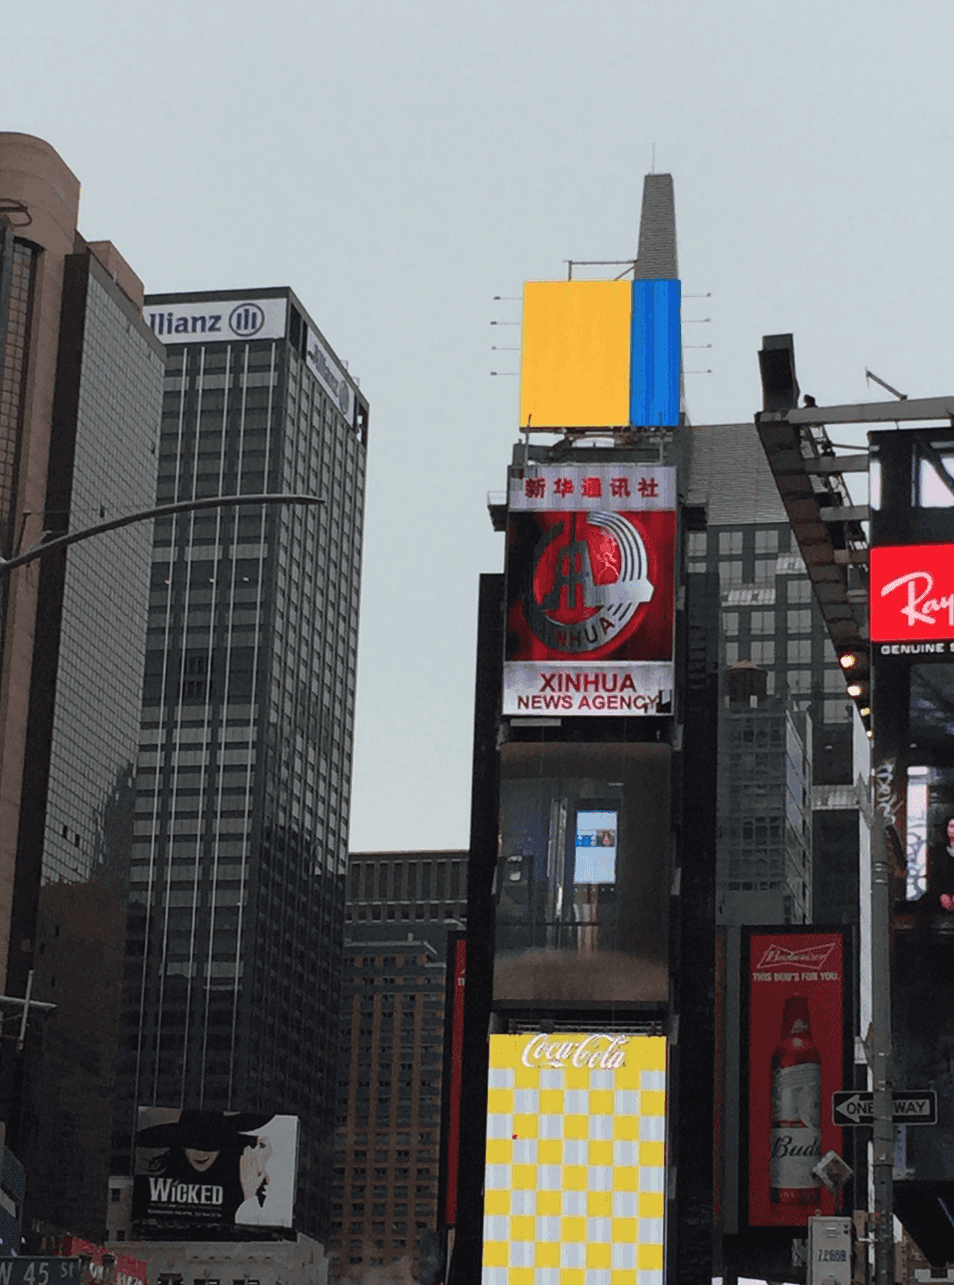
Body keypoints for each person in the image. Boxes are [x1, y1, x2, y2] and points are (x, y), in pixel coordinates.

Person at [135, 1110, 273, 1225]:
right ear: (180, 1147)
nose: (200, 1153)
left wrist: (247, 1195)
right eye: (192, 1144)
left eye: (209, 1145)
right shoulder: (148, 1188)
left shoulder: (242, 1186)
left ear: (222, 1148)